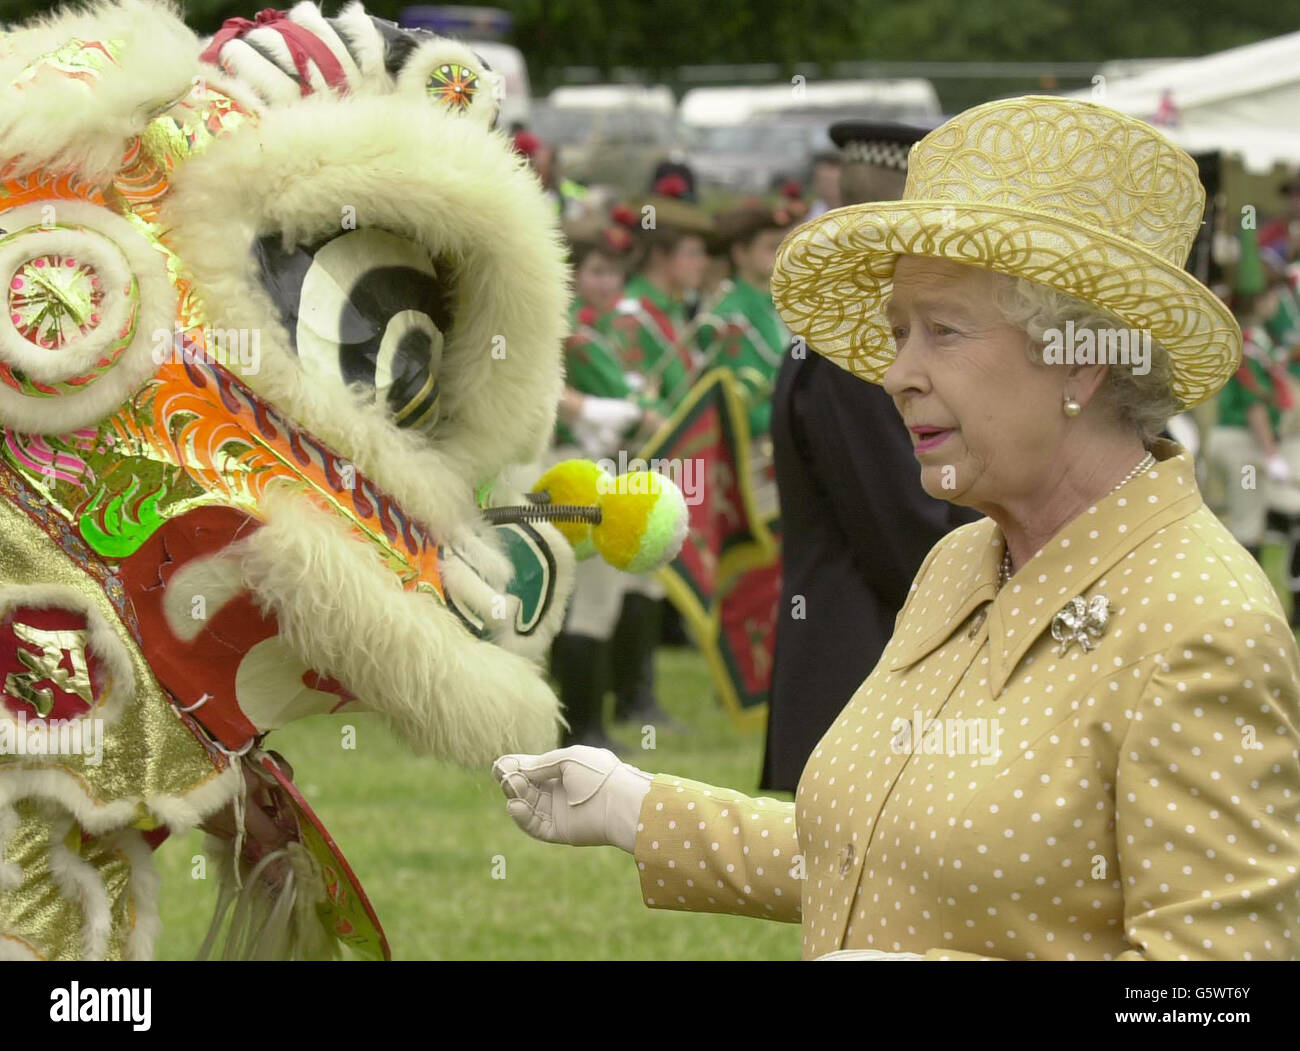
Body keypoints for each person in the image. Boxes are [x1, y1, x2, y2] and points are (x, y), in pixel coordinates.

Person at [493, 95, 1300, 960]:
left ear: (1082, 358)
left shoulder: (1200, 623)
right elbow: (880, 853)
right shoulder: (961, 560)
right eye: (897, 332)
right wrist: (636, 807)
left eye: (942, 332)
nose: (897, 374)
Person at [761, 120, 978, 793]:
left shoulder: (837, 341)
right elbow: (901, 530)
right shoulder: (852, 359)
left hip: (850, 655)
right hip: (860, 666)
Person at [550, 218, 668, 749]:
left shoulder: (608, 330)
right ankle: (582, 725)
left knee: (621, 585)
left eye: (614, 273)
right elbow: (555, 392)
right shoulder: (564, 327)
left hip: (611, 466)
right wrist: (611, 407)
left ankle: (613, 710)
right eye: (596, 272)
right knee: (589, 594)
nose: (607, 284)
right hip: (572, 467)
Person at [1205, 226, 1291, 564]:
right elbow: (1254, 403)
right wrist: (1270, 454)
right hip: (1242, 441)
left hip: (1246, 440)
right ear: (1261, 298)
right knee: (1246, 526)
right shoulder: (1249, 343)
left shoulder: (1255, 339)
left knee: (1253, 519)